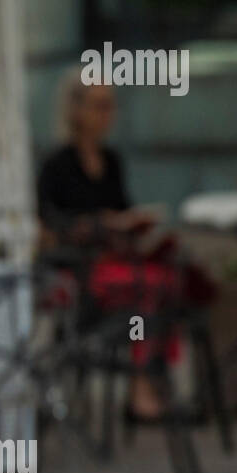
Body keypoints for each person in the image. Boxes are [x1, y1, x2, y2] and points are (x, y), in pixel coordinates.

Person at [36, 76, 215, 420]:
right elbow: (51, 226)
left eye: (111, 105)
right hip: (81, 271)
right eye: (100, 105)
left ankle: (148, 385)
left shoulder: (112, 161)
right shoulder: (57, 165)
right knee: (148, 283)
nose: (108, 115)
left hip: (117, 262)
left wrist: (133, 225)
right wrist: (101, 224)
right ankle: (144, 389)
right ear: (77, 111)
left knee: (166, 279)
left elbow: (124, 211)